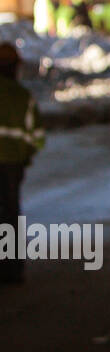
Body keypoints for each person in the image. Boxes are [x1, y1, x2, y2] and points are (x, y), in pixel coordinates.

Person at [0, 43, 44, 284]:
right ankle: (12, 269)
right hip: (12, 165)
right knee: (10, 214)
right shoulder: (22, 96)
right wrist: (24, 156)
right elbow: (36, 136)